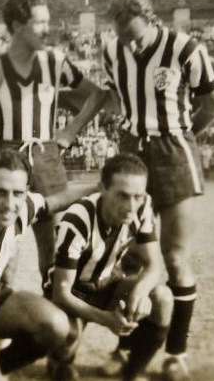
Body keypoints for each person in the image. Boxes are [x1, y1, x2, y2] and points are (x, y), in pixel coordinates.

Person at [80, 0, 214, 381]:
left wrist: (181, 137)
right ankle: (126, 350)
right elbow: (112, 92)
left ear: (152, 20)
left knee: (175, 257)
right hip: (132, 155)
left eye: (136, 36)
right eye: (123, 35)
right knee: (129, 256)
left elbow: (213, 106)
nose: (130, 43)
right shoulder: (113, 51)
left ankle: (177, 353)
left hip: (174, 151)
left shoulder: (186, 48)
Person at [0, 0, 102, 280]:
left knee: (53, 253)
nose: (47, 28)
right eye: (39, 22)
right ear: (17, 25)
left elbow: (98, 93)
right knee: (3, 255)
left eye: (47, 21)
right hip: (5, 159)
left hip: (46, 157)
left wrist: (71, 130)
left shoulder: (55, 62)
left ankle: (54, 318)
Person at [0, 144, 96, 381]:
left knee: (56, 325)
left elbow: (56, 201)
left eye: (18, 193)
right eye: (0, 192)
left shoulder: (23, 207)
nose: (10, 203)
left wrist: (99, 187)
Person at [49, 153, 174, 381]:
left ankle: (132, 373)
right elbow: (61, 293)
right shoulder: (78, 218)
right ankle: (59, 360)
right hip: (74, 293)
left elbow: (154, 264)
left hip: (108, 282)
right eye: (122, 196)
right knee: (63, 348)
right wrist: (105, 318)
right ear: (102, 188)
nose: (131, 205)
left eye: (137, 196)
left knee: (162, 299)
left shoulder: (142, 206)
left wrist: (140, 290)